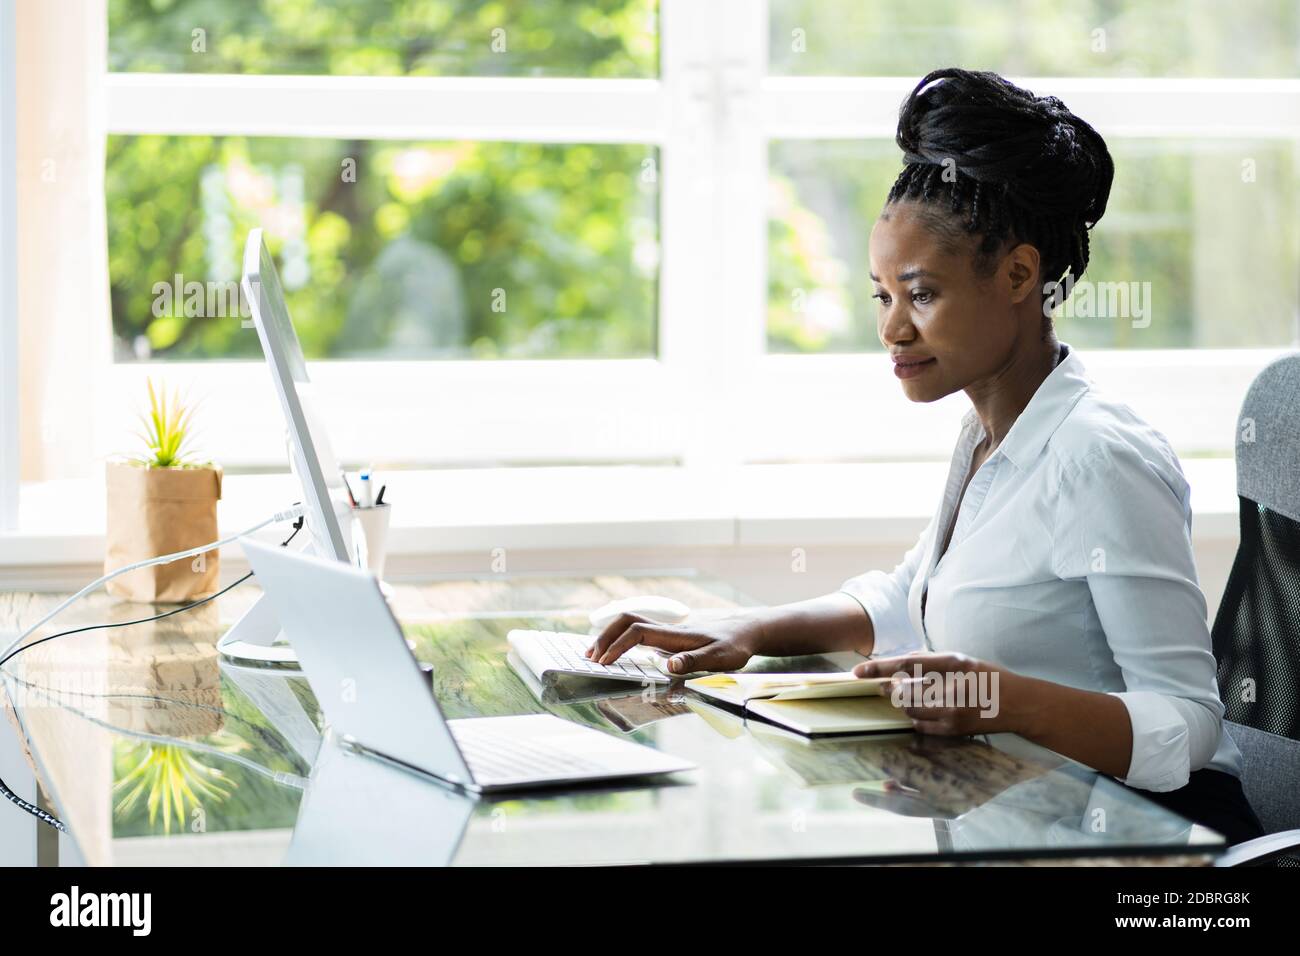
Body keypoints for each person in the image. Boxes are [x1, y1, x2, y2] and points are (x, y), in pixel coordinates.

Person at [588, 67, 1264, 847]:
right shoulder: (988, 435)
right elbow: (911, 595)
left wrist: (998, 699)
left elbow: (1190, 724)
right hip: (1019, 818)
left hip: (1146, 846)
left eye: (922, 295)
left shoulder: (1098, 458)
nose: (892, 330)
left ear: (1018, 275)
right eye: (882, 295)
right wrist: (746, 629)